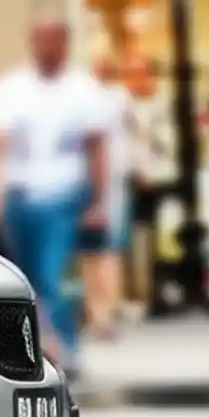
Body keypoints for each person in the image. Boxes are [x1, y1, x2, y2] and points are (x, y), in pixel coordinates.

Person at [0, 14, 110, 375]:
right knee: (24, 278)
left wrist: (99, 201)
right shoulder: (12, 88)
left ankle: (67, 350)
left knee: (51, 274)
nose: (48, 45)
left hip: (63, 193)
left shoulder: (82, 90)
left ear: (66, 43)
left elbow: (96, 148)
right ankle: (36, 346)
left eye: (55, 38)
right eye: (42, 38)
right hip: (19, 194)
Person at [79, 54, 133, 338]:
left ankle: (103, 311)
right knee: (101, 249)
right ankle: (103, 310)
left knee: (100, 249)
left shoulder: (106, 98)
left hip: (105, 179)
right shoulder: (114, 98)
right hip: (102, 179)